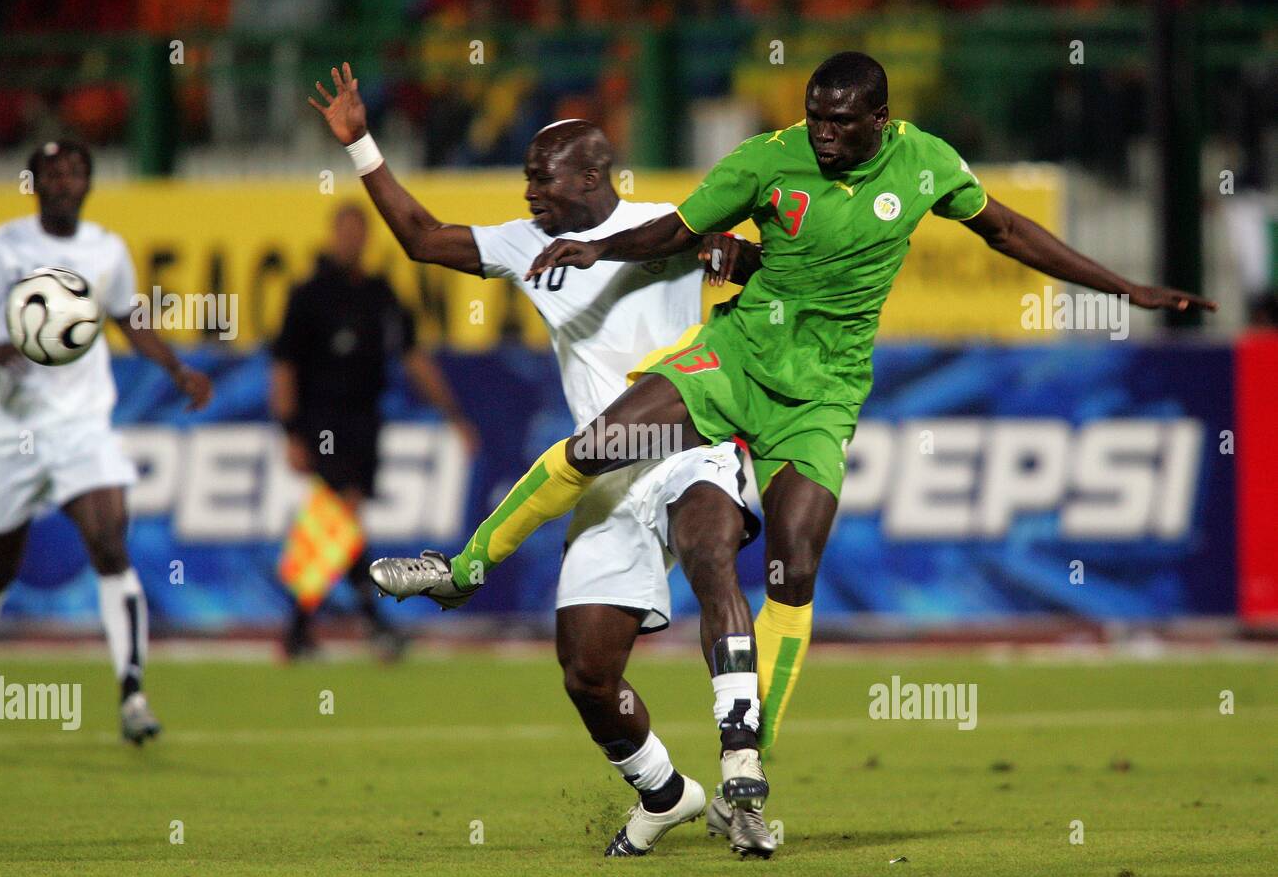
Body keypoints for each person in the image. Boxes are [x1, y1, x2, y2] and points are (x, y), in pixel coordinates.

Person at [376, 51, 1217, 787]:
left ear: (880, 122)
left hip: (824, 393)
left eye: (840, 123)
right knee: (595, 452)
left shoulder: (925, 164)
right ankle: (468, 567)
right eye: (813, 117)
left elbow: (1004, 229)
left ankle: (746, 764)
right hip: (735, 358)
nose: (821, 134)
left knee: (793, 574)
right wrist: (625, 250)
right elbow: (681, 229)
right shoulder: (766, 160)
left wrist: (1125, 289)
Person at [310, 63, 776, 857]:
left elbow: (760, 275)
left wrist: (741, 272)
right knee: (586, 674)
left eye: (542, 177)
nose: (529, 192)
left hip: (693, 438)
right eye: (527, 177)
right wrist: (361, 146)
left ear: (592, 174)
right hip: (605, 469)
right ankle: (665, 792)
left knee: (711, 558)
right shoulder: (527, 242)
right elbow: (424, 239)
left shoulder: (670, 224)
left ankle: (742, 766)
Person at [0, 139, 213, 744]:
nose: (66, 180)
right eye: (53, 172)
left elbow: (129, 319)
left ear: (88, 181)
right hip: (12, 427)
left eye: (77, 170)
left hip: (83, 423)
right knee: (1, 566)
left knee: (110, 543)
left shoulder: (105, 250)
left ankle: (132, 693)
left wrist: (177, 369)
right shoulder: (0, 249)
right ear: (33, 183)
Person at [271, 202, 478, 661]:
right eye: (344, 231)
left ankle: (299, 629)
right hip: (321, 421)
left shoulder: (380, 294)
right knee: (342, 516)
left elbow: (412, 356)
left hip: (364, 423)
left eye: (358, 232)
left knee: (334, 524)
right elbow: (283, 366)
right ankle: (373, 622)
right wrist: (289, 431)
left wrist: (453, 414)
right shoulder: (308, 295)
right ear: (332, 235)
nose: (351, 240)